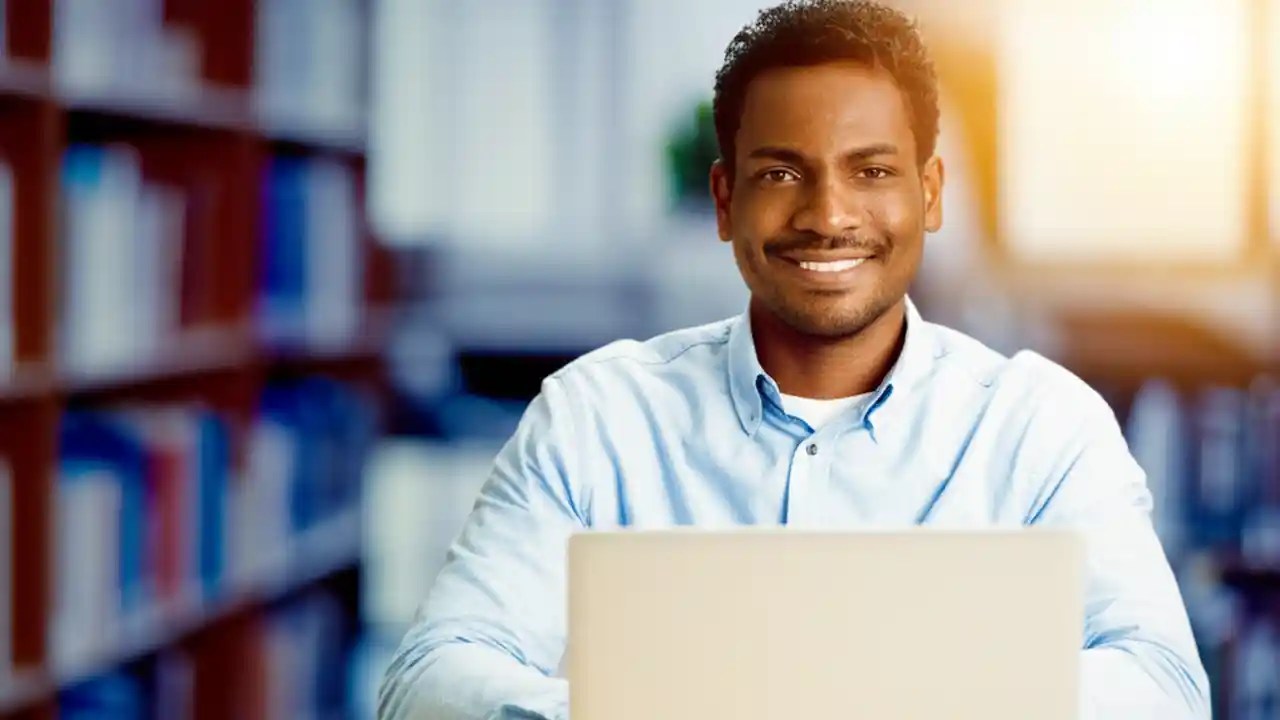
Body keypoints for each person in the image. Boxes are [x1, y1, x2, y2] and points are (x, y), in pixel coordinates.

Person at [378, 1, 1210, 718]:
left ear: (929, 194)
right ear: (724, 200)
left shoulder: (1041, 427)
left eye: (871, 171)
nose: (828, 215)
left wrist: (911, 702)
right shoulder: (597, 418)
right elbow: (426, 681)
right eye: (782, 173)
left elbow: (1166, 689)